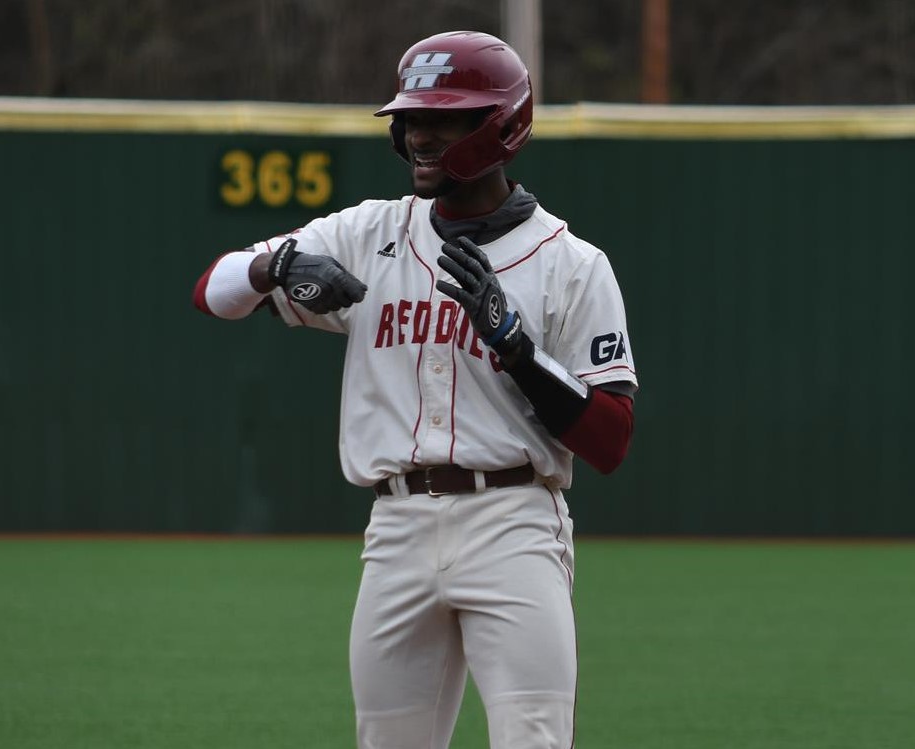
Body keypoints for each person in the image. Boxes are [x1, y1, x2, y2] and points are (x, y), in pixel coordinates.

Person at [193, 30, 637, 749]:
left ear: (500, 126)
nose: (419, 135)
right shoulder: (368, 231)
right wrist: (275, 267)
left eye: (445, 118)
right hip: (395, 527)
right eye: (410, 118)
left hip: (513, 521)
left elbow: (611, 439)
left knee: (534, 738)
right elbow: (212, 291)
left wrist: (519, 352)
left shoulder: (571, 262)